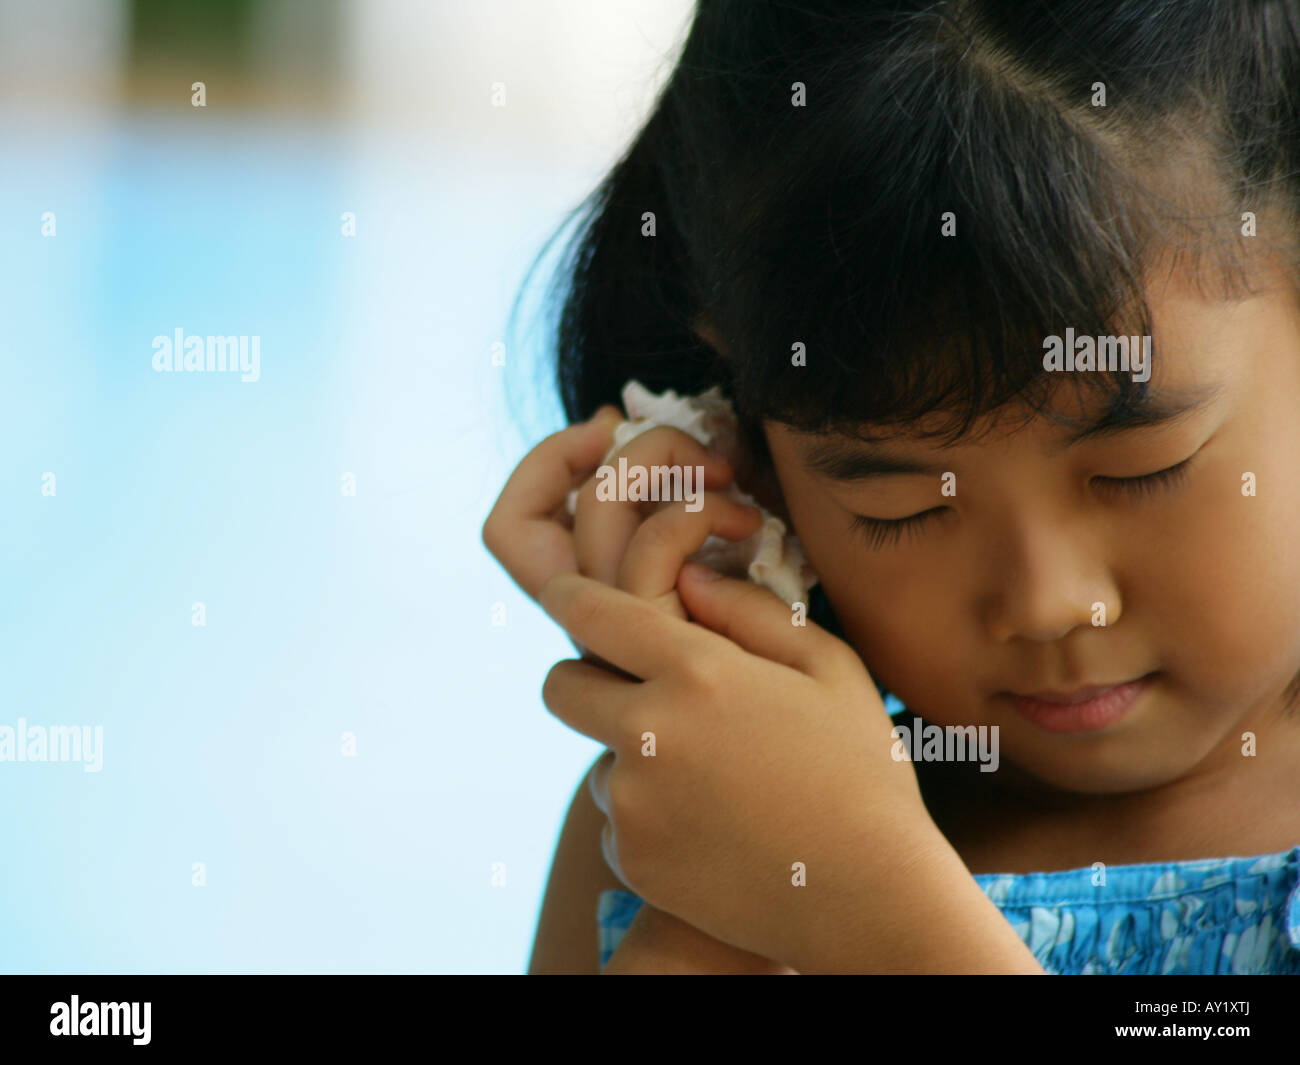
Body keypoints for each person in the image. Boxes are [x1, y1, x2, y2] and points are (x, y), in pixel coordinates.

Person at [483, 0, 1300, 973]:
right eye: (898, 509)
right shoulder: (684, 824)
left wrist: (869, 911)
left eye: (1140, 469)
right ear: (750, 446)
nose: (1048, 605)